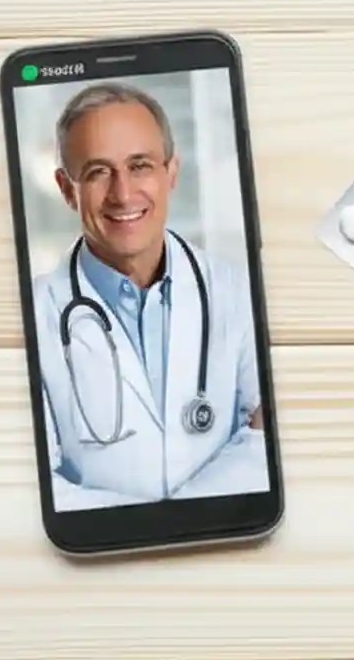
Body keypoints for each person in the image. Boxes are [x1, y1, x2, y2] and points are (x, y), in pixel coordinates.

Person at [31, 81, 267, 510]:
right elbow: (40, 486)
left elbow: (266, 439)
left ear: (171, 174)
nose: (123, 194)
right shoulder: (34, 316)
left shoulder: (238, 292)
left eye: (139, 165)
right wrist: (178, 521)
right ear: (68, 190)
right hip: (99, 568)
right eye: (98, 172)